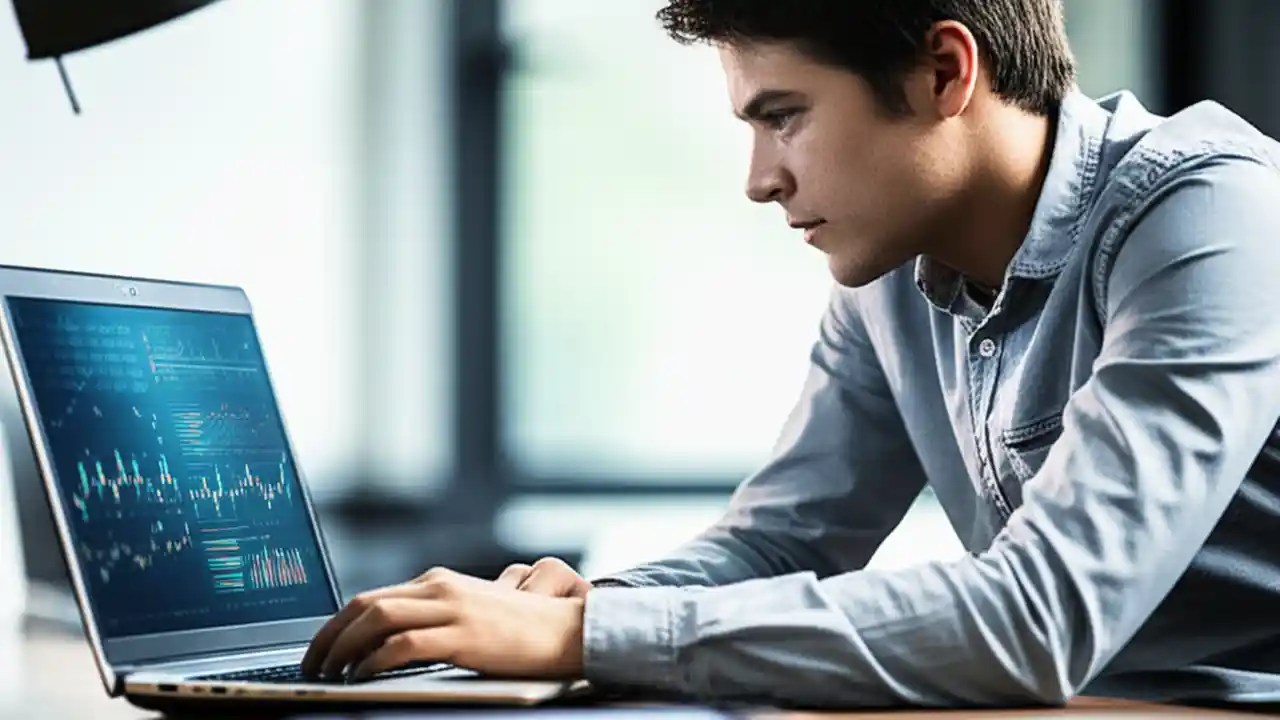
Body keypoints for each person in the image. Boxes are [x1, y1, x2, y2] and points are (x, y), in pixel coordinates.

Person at [301, 0, 1280, 708]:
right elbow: (782, 544)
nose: (759, 181)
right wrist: (597, 603)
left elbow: (1039, 616)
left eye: (782, 117)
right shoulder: (889, 268)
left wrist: (581, 636)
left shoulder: (1211, 215)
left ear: (943, 72)